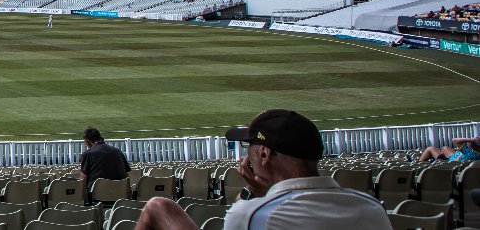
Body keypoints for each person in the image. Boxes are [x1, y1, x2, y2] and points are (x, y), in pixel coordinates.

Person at [134, 109, 389, 230]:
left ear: (265, 154)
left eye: (251, 147)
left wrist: (253, 197)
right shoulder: (372, 207)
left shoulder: (253, 215)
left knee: (159, 206)